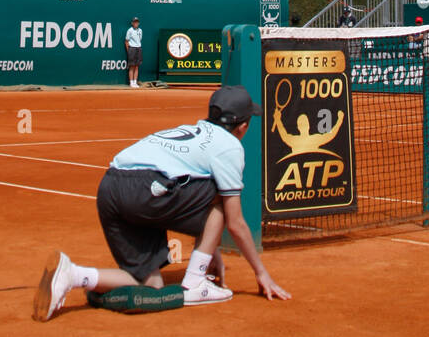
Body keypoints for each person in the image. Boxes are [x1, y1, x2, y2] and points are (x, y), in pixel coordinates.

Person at [32, 86, 290, 321]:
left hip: (110, 188)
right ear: (243, 127)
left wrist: (211, 252)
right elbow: (234, 222)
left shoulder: (193, 130)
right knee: (223, 196)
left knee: (151, 285)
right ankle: (195, 283)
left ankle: (73, 274)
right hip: (145, 191)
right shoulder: (230, 146)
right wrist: (261, 273)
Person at [125, 17, 142, 88]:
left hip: (139, 48)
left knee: (137, 66)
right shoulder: (130, 30)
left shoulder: (140, 30)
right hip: (132, 49)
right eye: (134, 22)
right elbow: (126, 41)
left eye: (137, 22)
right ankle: (131, 82)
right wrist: (128, 51)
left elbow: (140, 40)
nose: (136, 23)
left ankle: (135, 82)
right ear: (132, 23)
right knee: (132, 66)